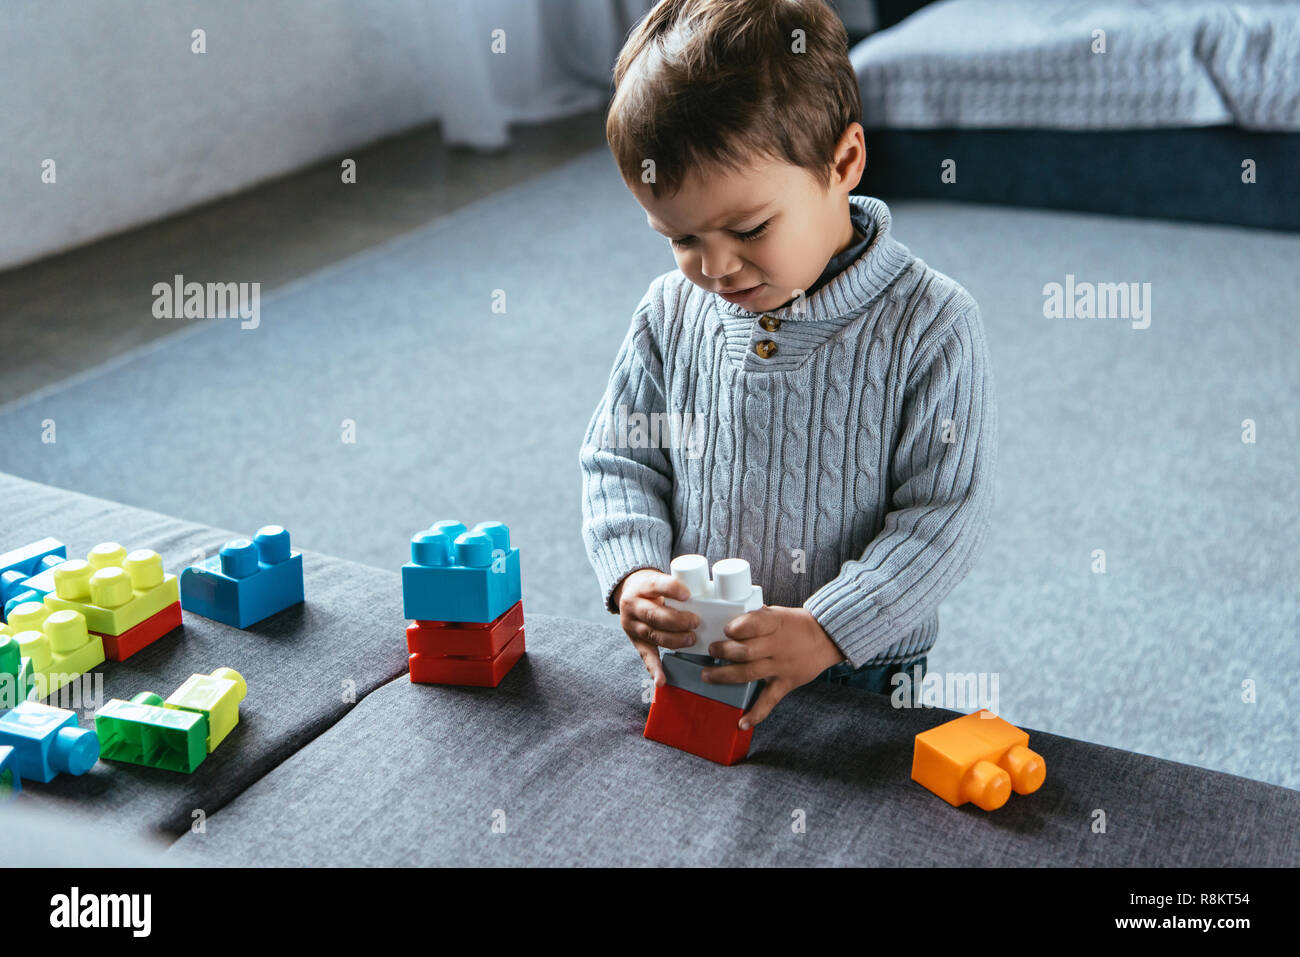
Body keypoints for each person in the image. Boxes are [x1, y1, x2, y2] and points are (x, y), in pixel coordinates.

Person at [580, 0, 996, 731]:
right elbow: (620, 458)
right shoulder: (669, 310)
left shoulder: (933, 323)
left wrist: (827, 629)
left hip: (860, 666)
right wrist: (633, 572)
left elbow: (944, 515)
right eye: (678, 237)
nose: (713, 267)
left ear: (844, 162)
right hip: (699, 650)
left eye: (748, 229)